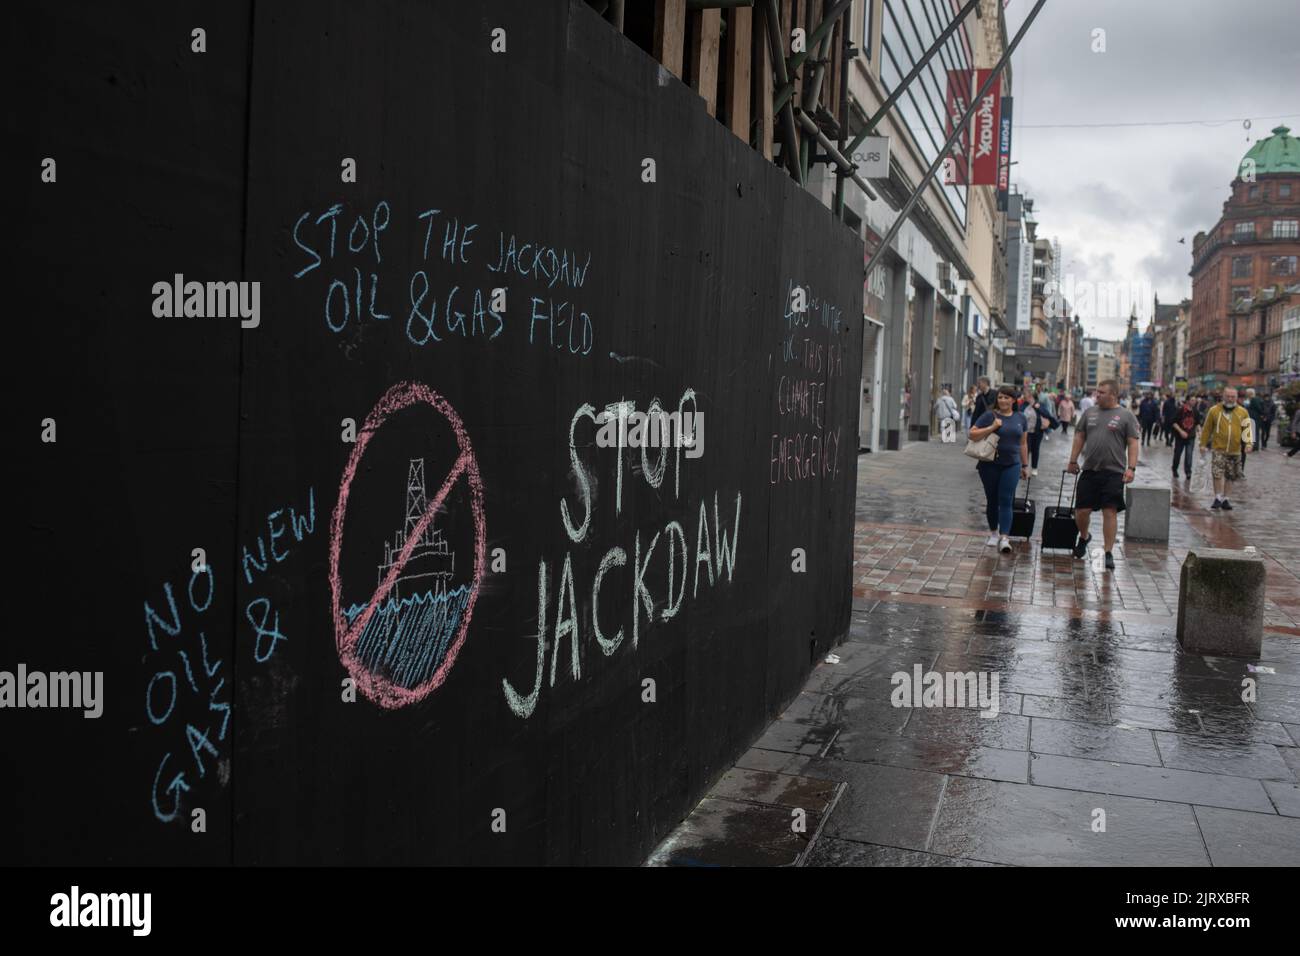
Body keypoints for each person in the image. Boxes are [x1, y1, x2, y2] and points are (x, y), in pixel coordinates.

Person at [1068, 380, 1140, 571]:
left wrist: (1131, 468)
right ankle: (1084, 536)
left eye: (1101, 392)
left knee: (1110, 511)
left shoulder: (1126, 416)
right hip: (1090, 469)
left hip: (1114, 472)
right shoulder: (1089, 413)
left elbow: (1133, 443)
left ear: (1113, 395)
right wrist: (1073, 460)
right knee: (1082, 511)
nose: (1096, 395)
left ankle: (1108, 552)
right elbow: (1079, 436)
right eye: (1096, 392)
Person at [970, 386, 1030, 554]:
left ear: (1013, 400)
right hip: (989, 464)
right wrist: (992, 427)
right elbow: (972, 434)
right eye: (1000, 397)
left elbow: (1023, 443)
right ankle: (993, 533)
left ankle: (1005, 538)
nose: (1003, 400)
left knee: (1006, 499)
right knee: (992, 499)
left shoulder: (1021, 418)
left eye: (1006, 398)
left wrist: (1025, 465)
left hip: (1012, 464)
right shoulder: (990, 415)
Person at [1200, 386, 1252, 510]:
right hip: (1219, 448)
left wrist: (1249, 443)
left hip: (1235, 449)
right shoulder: (1214, 410)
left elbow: (1247, 429)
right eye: (1228, 396)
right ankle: (1217, 497)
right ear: (1223, 396)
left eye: (1233, 396)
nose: (1230, 399)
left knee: (1231, 475)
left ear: (1236, 398)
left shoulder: (1242, 412)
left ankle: (1226, 499)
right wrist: (1202, 444)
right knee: (1217, 473)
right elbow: (1207, 429)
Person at [1025, 392, 1056, 475]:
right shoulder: (1024, 405)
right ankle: (1025, 467)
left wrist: (1036, 407)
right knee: (1026, 449)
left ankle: (1034, 468)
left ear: (1034, 397)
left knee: (1036, 449)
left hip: (1038, 431)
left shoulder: (1039, 405)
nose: (1028, 398)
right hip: (1027, 432)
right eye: (1027, 397)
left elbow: (1047, 414)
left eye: (1030, 396)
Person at [1170, 394, 1198, 480]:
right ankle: (1174, 469)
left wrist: (1200, 432)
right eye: (1192, 400)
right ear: (1188, 400)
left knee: (1189, 455)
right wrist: (1181, 431)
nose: (1194, 402)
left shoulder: (1195, 411)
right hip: (1180, 437)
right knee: (1178, 454)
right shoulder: (1180, 410)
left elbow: (1197, 423)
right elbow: (1173, 422)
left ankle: (1188, 472)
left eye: (1195, 400)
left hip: (1191, 437)